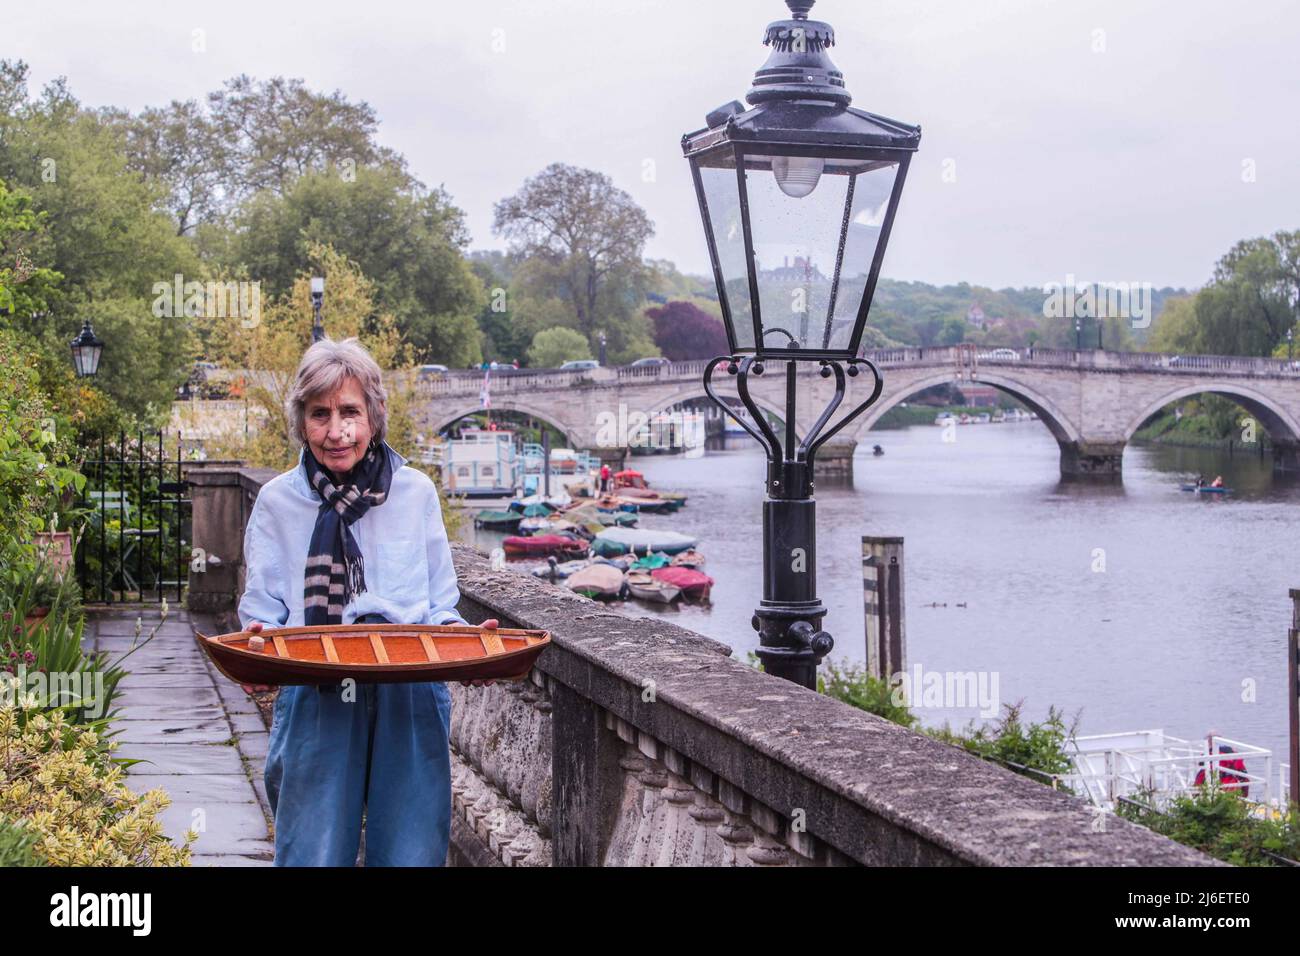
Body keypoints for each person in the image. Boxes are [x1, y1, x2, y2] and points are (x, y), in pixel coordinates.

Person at [238, 337, 496, 867]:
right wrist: (256, 651)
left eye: (350, 411)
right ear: (301, 421)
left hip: (409, 693)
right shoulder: (278, 502)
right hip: (315, 689)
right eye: (320, 414)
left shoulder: (415, 493)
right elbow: (262, 612)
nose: (337, 432)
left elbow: (439, 606)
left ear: (373, 417)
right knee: (310, 851)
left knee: (411, 852)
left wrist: (468, 644)